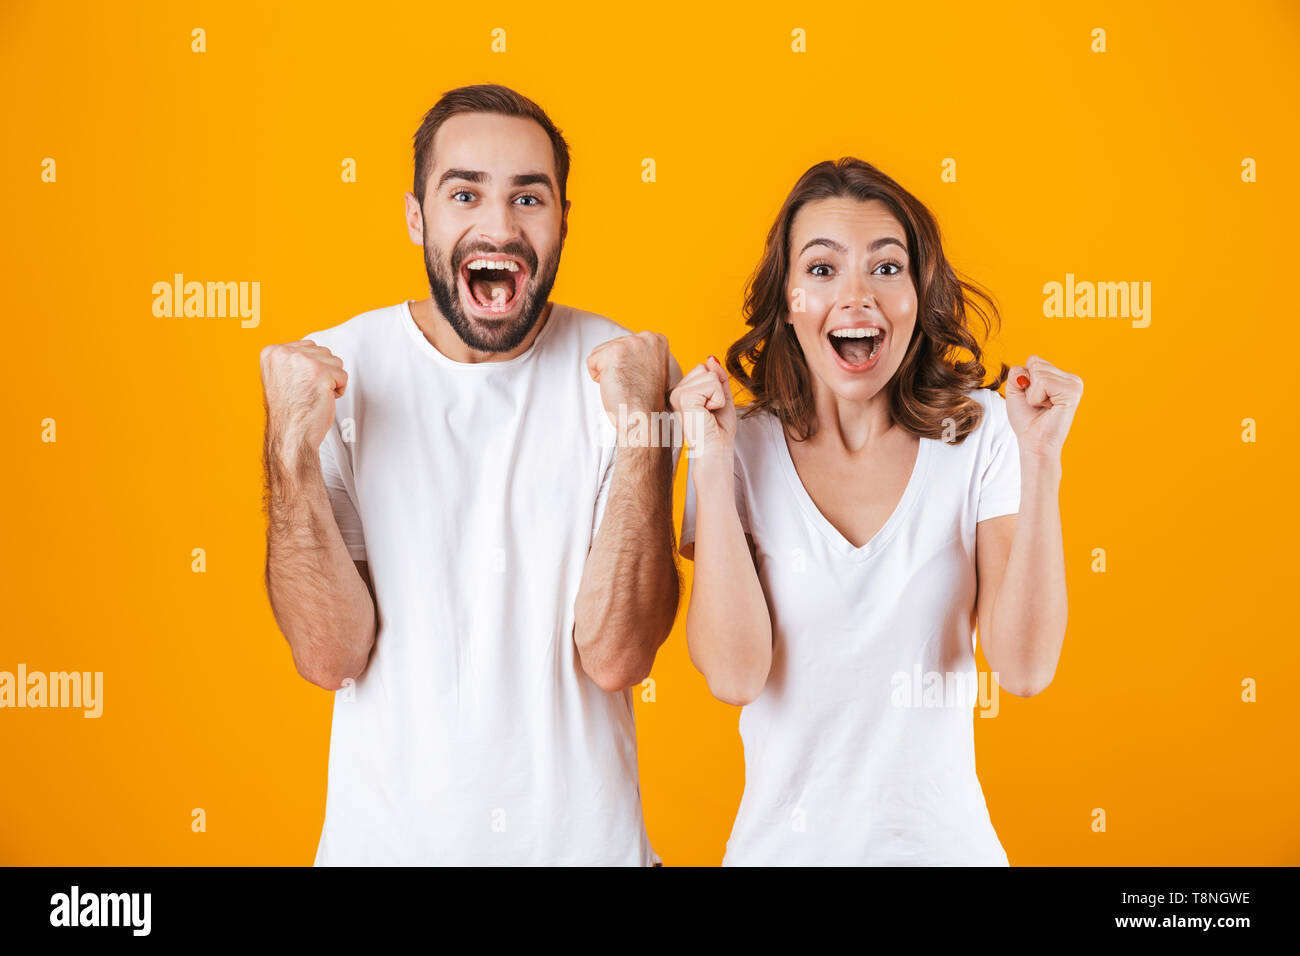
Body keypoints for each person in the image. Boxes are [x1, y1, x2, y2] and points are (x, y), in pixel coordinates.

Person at [260, 84, 682, 865]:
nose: (500, 226)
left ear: (562, 221)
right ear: (417, 216)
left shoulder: (625, 370)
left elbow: (618, 655)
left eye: (530, 197)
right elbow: (330, 656)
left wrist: (643, 437)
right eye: (465, 194)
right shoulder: (337, 373)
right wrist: (289, 452)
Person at [671, 157, 1083, 865]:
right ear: (787, 300)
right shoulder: (739, 449)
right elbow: (735, 676)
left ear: (918, 296)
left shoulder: (982, 434)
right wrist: (709, 460)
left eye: (886, 268)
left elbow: (1024, 669)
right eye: (824, 270)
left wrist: (1041, 459)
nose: (857, 296)